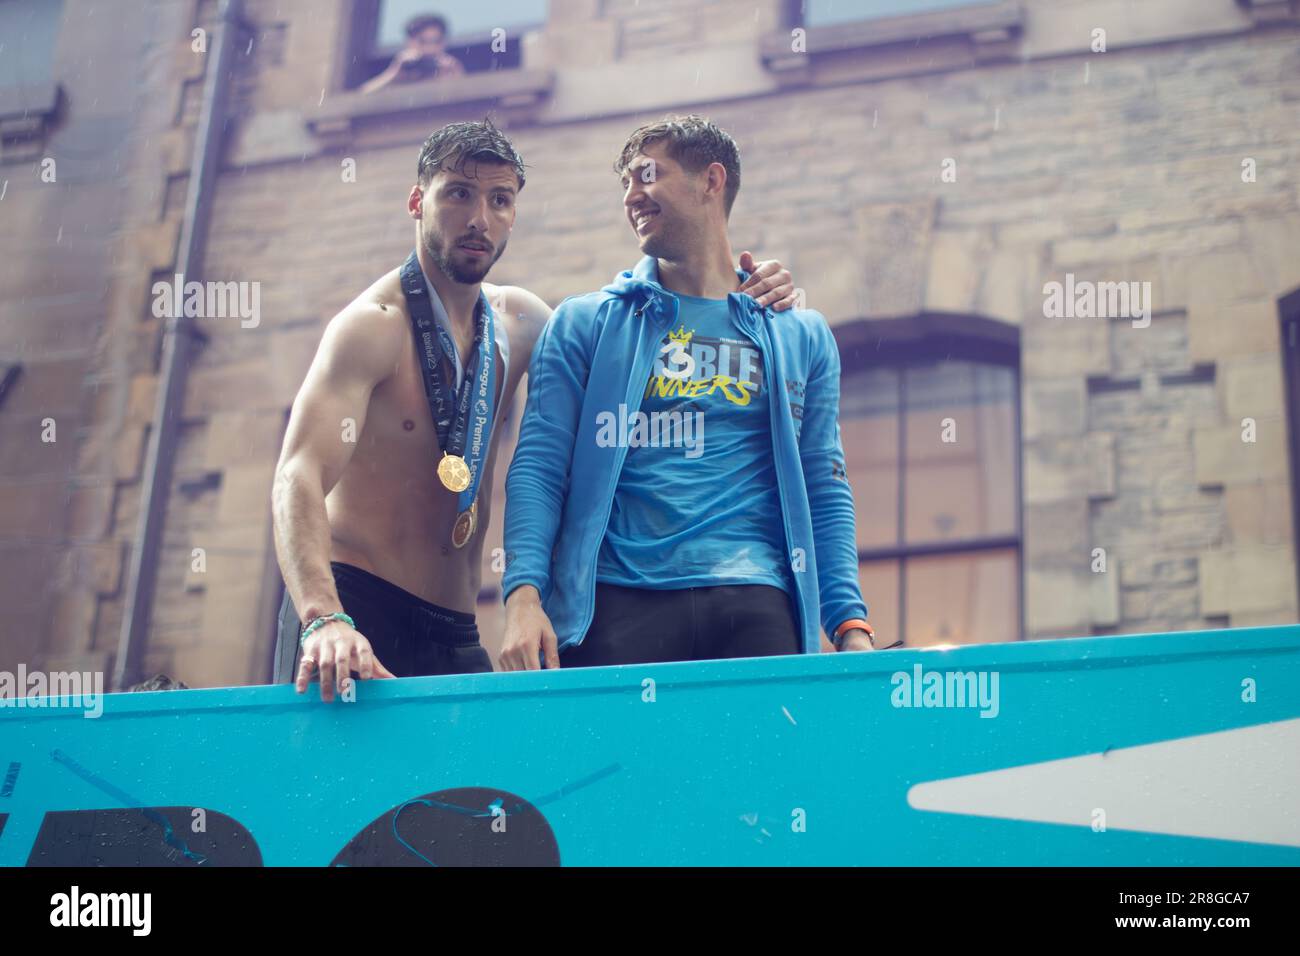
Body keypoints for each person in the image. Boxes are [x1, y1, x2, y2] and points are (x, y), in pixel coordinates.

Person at [272, 118, 801, 701]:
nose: (479, 219)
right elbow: (297, 474)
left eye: (500, 200)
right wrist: (323, 618)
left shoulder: (525, 323)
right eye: (458, 194)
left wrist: (750, 291)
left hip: (458, 628)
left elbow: (617, 346)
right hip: (355, 616)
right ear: (417, 201)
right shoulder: (371, 327)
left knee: (476, 792)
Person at [499, 115, 892, 672]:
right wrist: (523, 596)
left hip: (758, 601)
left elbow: (825, 484)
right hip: (615, 603)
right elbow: (538, 467)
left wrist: (849, 625)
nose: (632, 197)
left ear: (711, 180)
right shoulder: (586, 323)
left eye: (646, 176)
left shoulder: (797, 333)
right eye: (626, 185)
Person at [359, 13, 465, 95]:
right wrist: (394, 74)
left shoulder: (450, 69)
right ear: (409, 43)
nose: (430, 48)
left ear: (444, 43)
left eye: (436, 41)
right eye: (423, 41)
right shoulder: (403, 71)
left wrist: (456, 75)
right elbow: (361, 96)